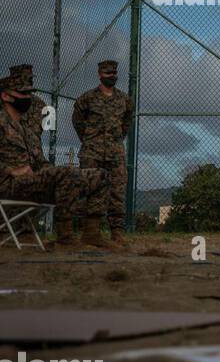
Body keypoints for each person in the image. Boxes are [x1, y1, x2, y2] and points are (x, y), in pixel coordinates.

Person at [0, 71, 109, 248]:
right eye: (23, 93)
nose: (28, 97)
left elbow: (41, 163)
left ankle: (92, 234)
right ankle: (65, 239)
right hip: (9, 185)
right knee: (64, 174)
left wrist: (57, 171)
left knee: (100, 175)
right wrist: (9, 170)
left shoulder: (26, 131)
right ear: (5, 95)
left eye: (29, 93)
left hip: (31, 184)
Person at [72, 59, 132, 249]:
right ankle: (89, 232)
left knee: (117, 192)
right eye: (107, 74)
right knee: (88, 191)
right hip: (92, 153)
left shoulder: (124, 99)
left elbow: (126, 123)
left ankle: (117, 233)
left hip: (115, 154)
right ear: (100, 75)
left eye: (114, 74)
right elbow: (78, 121)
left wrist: (116, 140)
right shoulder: (87, 98)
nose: (111, 77)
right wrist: (90, 140)